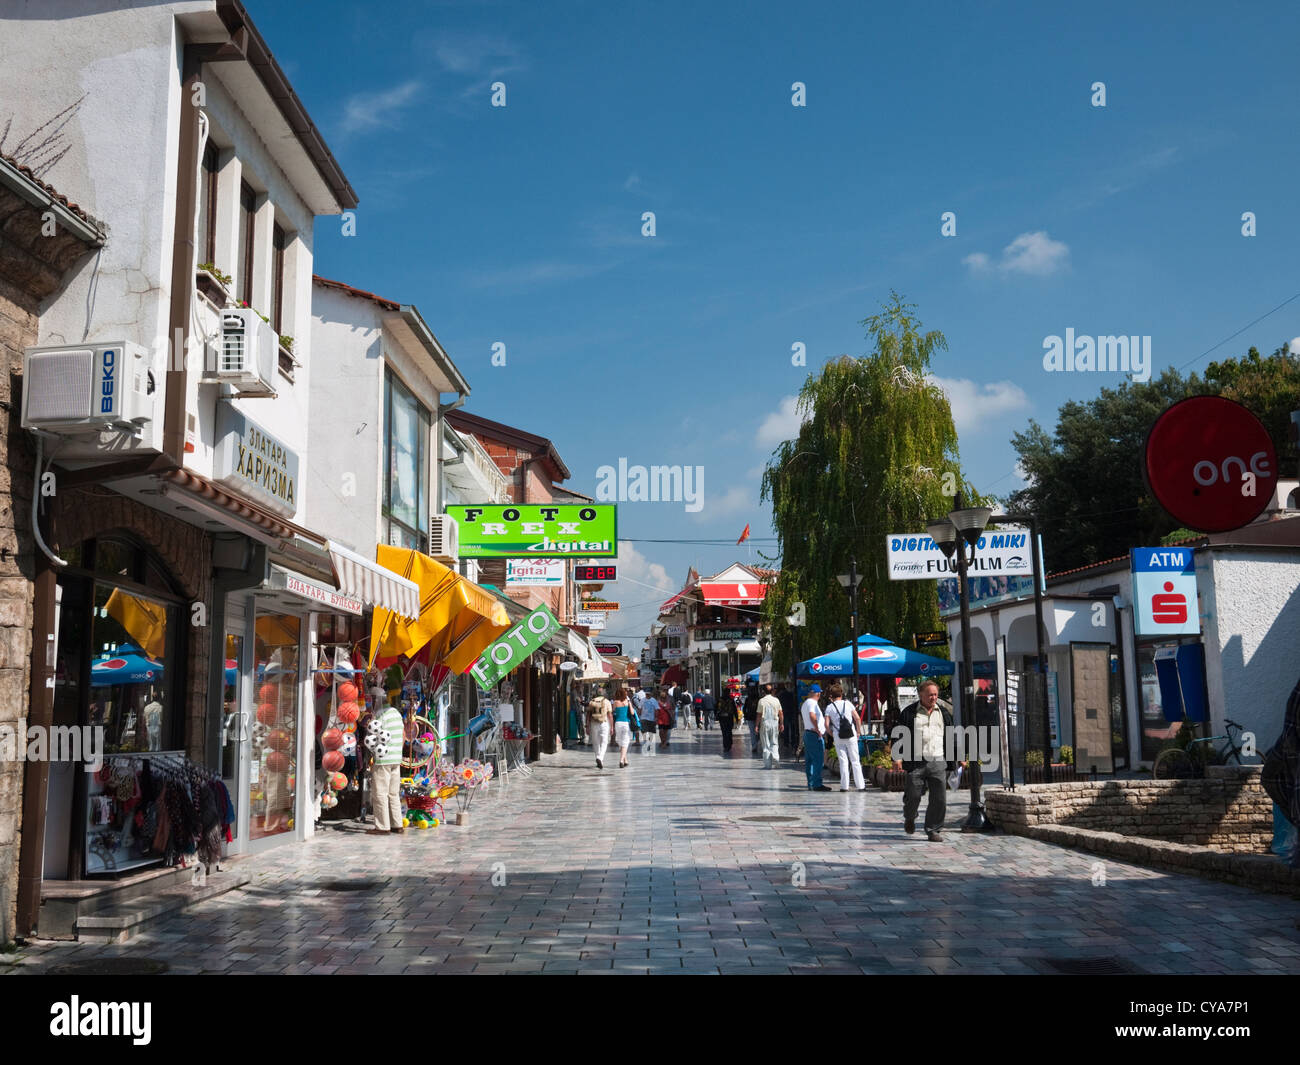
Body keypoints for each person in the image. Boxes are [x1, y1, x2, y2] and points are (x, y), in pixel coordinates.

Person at [893, 679, 956, 841]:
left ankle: (933, 829)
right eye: (930, 695)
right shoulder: (909, 713)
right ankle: (910, 816)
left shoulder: (944, 712)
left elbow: (951, 737)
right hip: (915, 761)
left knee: (939, 798)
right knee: (913, 796)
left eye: (935, 694)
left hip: (937, 760)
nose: (933, 697)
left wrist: (958, 757)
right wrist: (897, 757)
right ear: (921, 695)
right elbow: (899, 735)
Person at [366, 693, 405, 835]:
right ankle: (397, 824)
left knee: (380, 793)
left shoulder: (380, 716)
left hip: (383, 759)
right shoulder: (396, 714)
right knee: (393, 793)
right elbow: (403, 735)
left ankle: (382, 827)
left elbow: (372, 735)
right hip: (396, 758)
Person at [824, 682, 865, 791]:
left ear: (831, 695)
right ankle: (860, 786)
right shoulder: (848, 704)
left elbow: (826, 725)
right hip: (851, 734)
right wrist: (858, 732)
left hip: (838, 736)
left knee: (843, 761)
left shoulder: (829, 707)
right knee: (855, 760)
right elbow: (857, 718)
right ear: (841, 694)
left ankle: (844, 786)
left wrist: (831, 733)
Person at [801, 684, 830, 790]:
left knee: (809, 761)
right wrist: (818, 729)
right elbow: (812, 715)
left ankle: (811, 783)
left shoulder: (805, 703)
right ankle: (817, 784)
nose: (820, 695)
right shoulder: (812, 703)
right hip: (814, 735)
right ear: (816, 693)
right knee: (818, 760)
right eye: (819, 693)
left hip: (808, 734)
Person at [757, 683, 783, 768]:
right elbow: (781, 713)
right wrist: (781, 724)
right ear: (771, 691)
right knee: (774, 742)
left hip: (765, 723)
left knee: (766, 744)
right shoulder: (776, 700)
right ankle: (776, 757)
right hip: (775, 723)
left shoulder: (761, 701)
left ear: (763, 691)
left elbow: (759, 714)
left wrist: (757, 725)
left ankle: (768, 765)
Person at [587, 686, 612, 769]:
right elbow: (610, 715)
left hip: (594, 723)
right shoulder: (607, 701)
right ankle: (600, 758)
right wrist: (612, 726)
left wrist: (587, 726)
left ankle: (598, 757)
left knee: (596, 742)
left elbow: (588, 715)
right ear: (603, 694)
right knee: (604, 742)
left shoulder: (591, 702)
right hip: (604, 723)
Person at [610, 686, 634, 769]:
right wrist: (629, 704)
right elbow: (632, 713)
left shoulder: (615, 702)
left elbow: (612, 711)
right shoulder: (627, 701)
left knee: (620, 741)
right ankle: (621, 760)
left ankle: (625, 760)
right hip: (625, 723)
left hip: (618, 723)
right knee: (625, 742)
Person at [778, 683, 798, 754]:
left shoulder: (781, 695)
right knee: (792, 728)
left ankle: (786, 743)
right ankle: (792, 743)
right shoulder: (791, 694)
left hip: (785, 712)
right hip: (791, 712)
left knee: (786, 728)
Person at [716, 687, 736, 752]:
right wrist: (737, 717)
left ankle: (725, 746)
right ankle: (729, 744)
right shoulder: (731, 699)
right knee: (729, 731)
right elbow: (734, 709)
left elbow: (715, 708)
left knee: (724, 732)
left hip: (722, 718)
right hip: (729, 717)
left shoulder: (719, 699)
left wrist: (716, 716)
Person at [640, 688, 660, 754]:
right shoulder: (642, 700)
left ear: (650, 694)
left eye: (648, 694)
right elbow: (640, 709)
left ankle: (649, 743)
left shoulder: (653, 700)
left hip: (651, 719)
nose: (647, 695)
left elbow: (657, 709)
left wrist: (656, 718)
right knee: (644, 732)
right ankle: (646, 743)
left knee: (651, 733)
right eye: (646, 694)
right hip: (643, 719)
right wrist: (639, 717)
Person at [744, 684, 760, 754]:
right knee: (758, 732)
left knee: (752, 732)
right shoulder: (759, 699)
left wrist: (745, 715)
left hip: (750, 717)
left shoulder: (748, 699)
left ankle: (754, 746)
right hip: (758, 717)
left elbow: (744, 708)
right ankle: (755, 743)